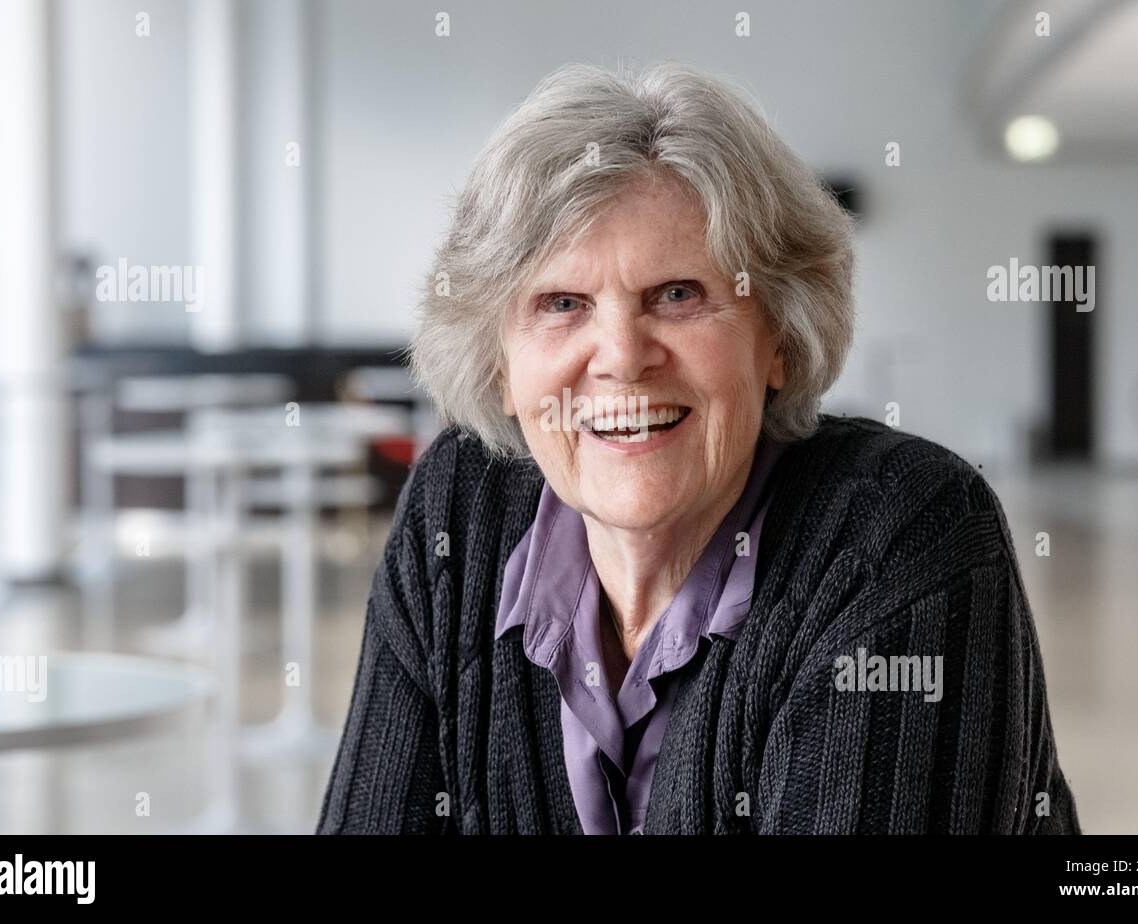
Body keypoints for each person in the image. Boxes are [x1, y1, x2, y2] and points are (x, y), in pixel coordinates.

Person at [317, 62, 1080, 835]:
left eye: (677, 295)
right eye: (562, 303)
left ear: (779, 337)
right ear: (499, 363)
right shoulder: (459, 509)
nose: (620, 354)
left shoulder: (901, 530)